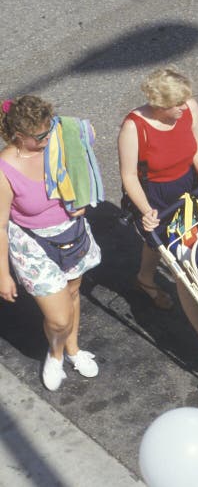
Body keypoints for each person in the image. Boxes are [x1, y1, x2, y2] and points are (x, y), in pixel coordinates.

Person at [117, 67, 198, 366]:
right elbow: (129, 176)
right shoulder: (134, 127)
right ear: (159, 105)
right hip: (156, 196)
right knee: (183, 268)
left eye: (185, 101)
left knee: (182, 244)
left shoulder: (188, 107)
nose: (184, 107)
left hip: (188, 185)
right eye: (177, 104)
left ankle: (144, 277)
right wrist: (146, 211)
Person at [0, 95, 101, 391]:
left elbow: (87, 143)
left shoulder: (58, 139)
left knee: (72, 293)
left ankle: (73, 350)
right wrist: (3, 274)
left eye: (50, 128)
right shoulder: (4, 169)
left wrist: (83, 197)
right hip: (34, 245)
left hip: (72, 233)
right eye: (41, 135)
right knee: (58, 319)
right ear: (19, 136)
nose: (47, 137)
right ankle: (56, 354)